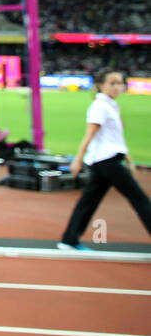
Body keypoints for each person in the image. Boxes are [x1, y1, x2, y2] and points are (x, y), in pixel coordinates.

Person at [59, 69, 151, 250]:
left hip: (107, 160)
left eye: (120, 83)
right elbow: (89, 135)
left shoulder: (111, 106)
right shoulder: (99, 106)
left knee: (88, 201)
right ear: (101, 85)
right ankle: (69, 240)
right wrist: (77, 160)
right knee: (139, 199)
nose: (118, 87)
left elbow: (116, 139)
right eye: (113, 83)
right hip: (107, 161)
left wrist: (129, 160)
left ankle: (69, 240)